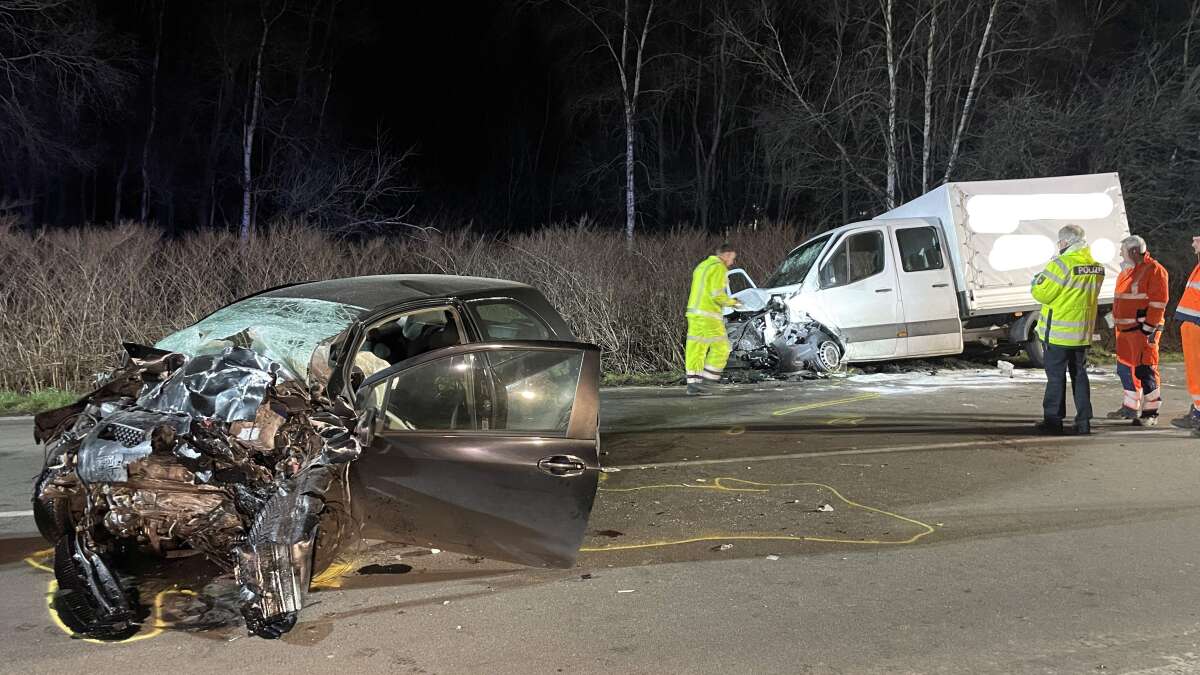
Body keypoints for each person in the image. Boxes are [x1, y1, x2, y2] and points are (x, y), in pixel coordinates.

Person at [1031, 224, 1106, 435]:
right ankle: (1084, 421)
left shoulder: (1061, 265)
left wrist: (1036, 282)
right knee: (1080, 376)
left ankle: (1053, 421)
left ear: (1065, 242)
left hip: (1058, 334)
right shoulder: (1097, 267)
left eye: (1060, 242)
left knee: (1056, 378)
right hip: (1081, 334)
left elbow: (1042, 294)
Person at [1105, 235, 1169, 426]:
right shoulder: (1128, 271)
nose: (1119, 254)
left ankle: (1151, 413)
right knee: (1125, 369)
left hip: (1142, 330)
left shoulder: (1155, 270)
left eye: (1122, 250)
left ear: (1133, 251)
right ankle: (1130, 408)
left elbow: (1159, 303)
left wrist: (1148, 328)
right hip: (1125, 331)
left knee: (1145, 369)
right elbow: (1121, 300)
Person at [685, 243, 741, 395]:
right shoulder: (718, 267)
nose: (732, 262)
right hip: (709, 315)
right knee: (722, 348)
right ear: (727, 254)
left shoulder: (702, 266)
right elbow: (717, 294)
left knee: (696, 350)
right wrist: (734, 303)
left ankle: (693, 384)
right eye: (732, 258)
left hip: (694, 314)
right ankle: (708, 382)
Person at [1170, 235, 1200, 432]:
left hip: (1197, 326)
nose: (1192, 243)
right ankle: (1197, 411)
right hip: (1193, 326)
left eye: (1196, 240)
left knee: (1197, 374)